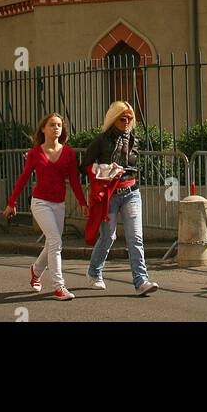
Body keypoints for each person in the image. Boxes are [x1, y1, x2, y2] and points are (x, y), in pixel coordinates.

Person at [2, 112, 87, 300]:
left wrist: (83, 202)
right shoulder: (34, 153)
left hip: (59, 204)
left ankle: (36, 270)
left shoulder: (69, 153)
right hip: (40, 202)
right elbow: (23, 178)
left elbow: (74, 180)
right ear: (43, 129)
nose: (56, 128)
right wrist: (11, 202)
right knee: (56, 241)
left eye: (59, 125)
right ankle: (59, 286)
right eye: (52, 125)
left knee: (51, 242)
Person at [84, 100, 159, 296]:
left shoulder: (135, 140)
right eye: (122, 118)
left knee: (135, 237)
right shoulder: (100, 141)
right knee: (108, 236)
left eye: (130, 118)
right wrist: (105, 170)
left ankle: (141, 281)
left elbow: (134, 164)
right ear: (114, 119)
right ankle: (94, 272)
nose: (127, 122)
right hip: (109, 194)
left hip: (131, 192)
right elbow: (85, 165)